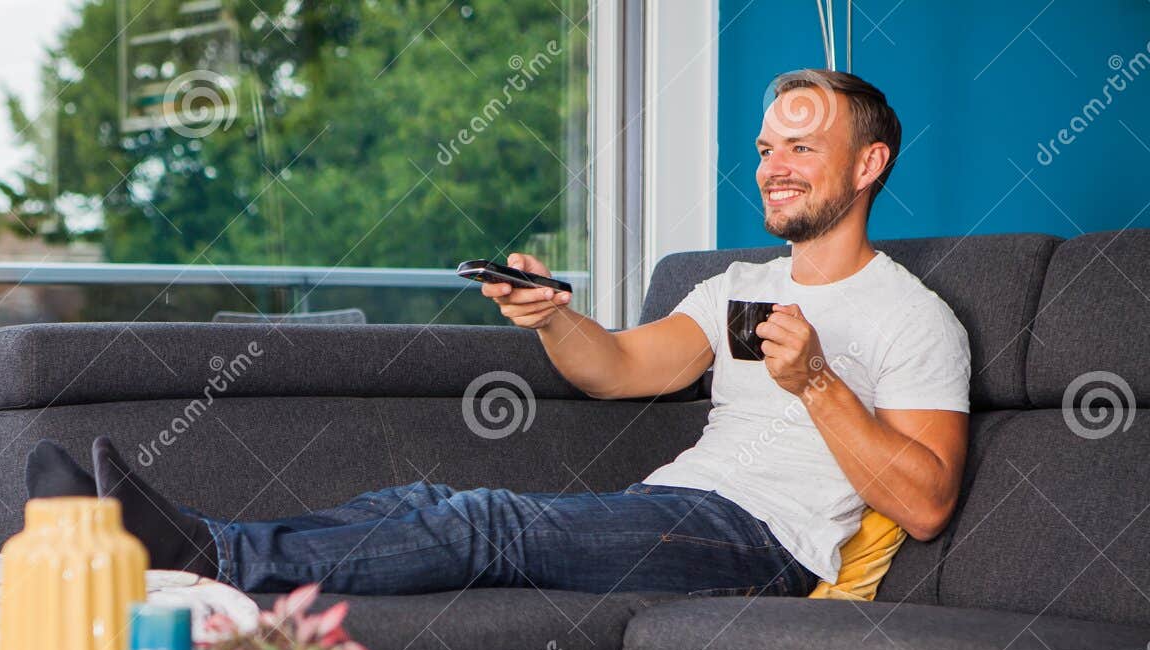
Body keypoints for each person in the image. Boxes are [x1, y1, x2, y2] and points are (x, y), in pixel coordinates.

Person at [75, 68, 971, 597]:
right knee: (416, 500)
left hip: (762, 545)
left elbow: (927, 505)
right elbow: (616, 369)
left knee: (485, 523)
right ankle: (189, 548)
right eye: (767, 149)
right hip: (674, 506)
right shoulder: (739, 286)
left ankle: (206, 558)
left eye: (801, 150)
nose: (773, 170)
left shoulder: (912, 317)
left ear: (868, 163)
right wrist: (556, 318)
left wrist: (815, 382)